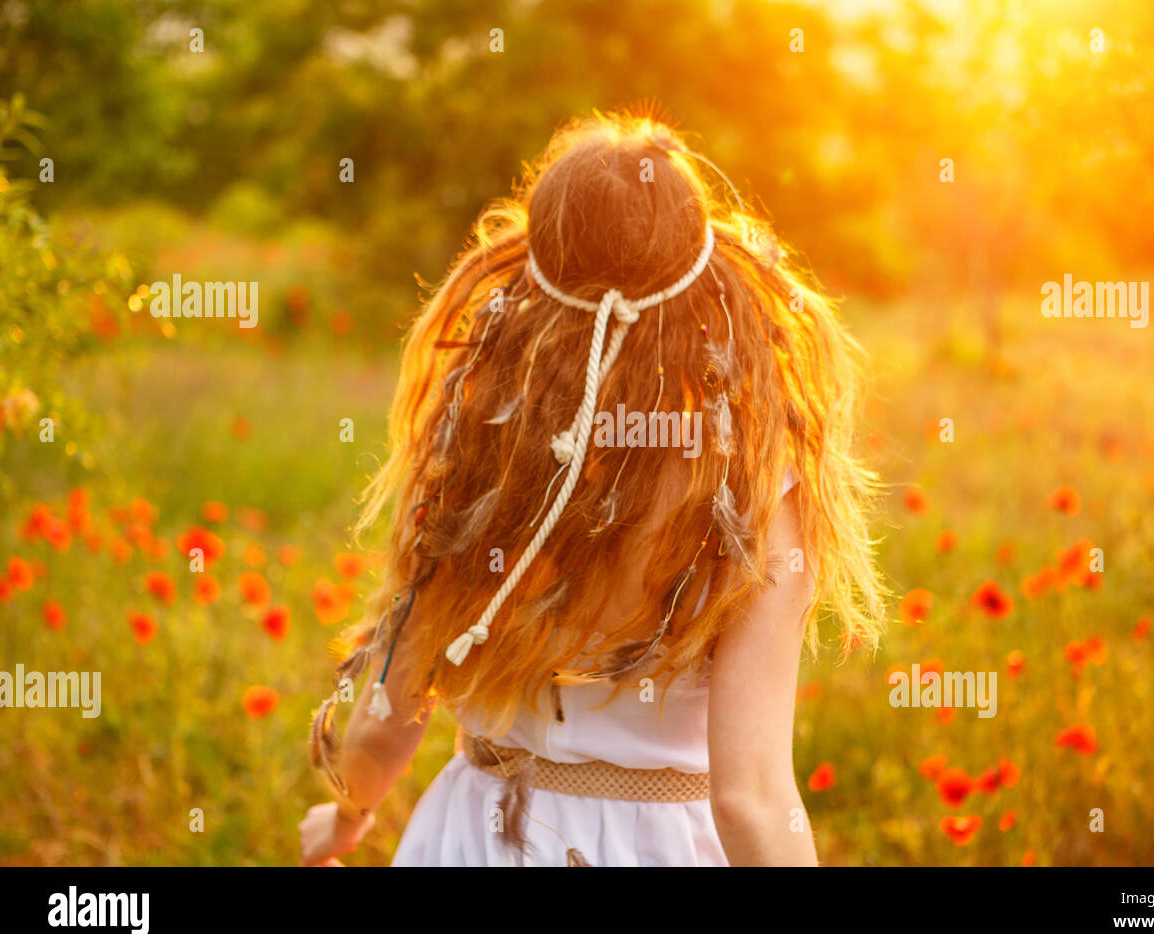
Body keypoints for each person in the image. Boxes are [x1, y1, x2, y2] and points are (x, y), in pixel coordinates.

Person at [299, 111, 884, 867]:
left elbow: (391, 714)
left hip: (477, 839)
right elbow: (750, 799)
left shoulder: (475, 449)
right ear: (707, 279)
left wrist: (345, 820)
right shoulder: (754, 489)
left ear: (531, 275)